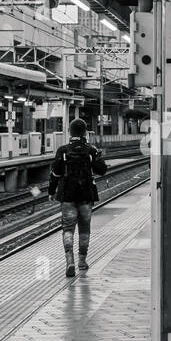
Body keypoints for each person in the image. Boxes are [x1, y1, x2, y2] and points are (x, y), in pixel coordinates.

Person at [49, 118, 108, 277]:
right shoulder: (91, 150)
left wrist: (51, 191)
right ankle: (82, 261)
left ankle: (70, 261)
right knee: (84, 229)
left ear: (70, 132)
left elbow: (55, 173)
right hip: (86, 196)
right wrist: (97, 156)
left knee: (68, 229)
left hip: (67, 195)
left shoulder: (62, 150)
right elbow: (102, 170)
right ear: (85, 132)